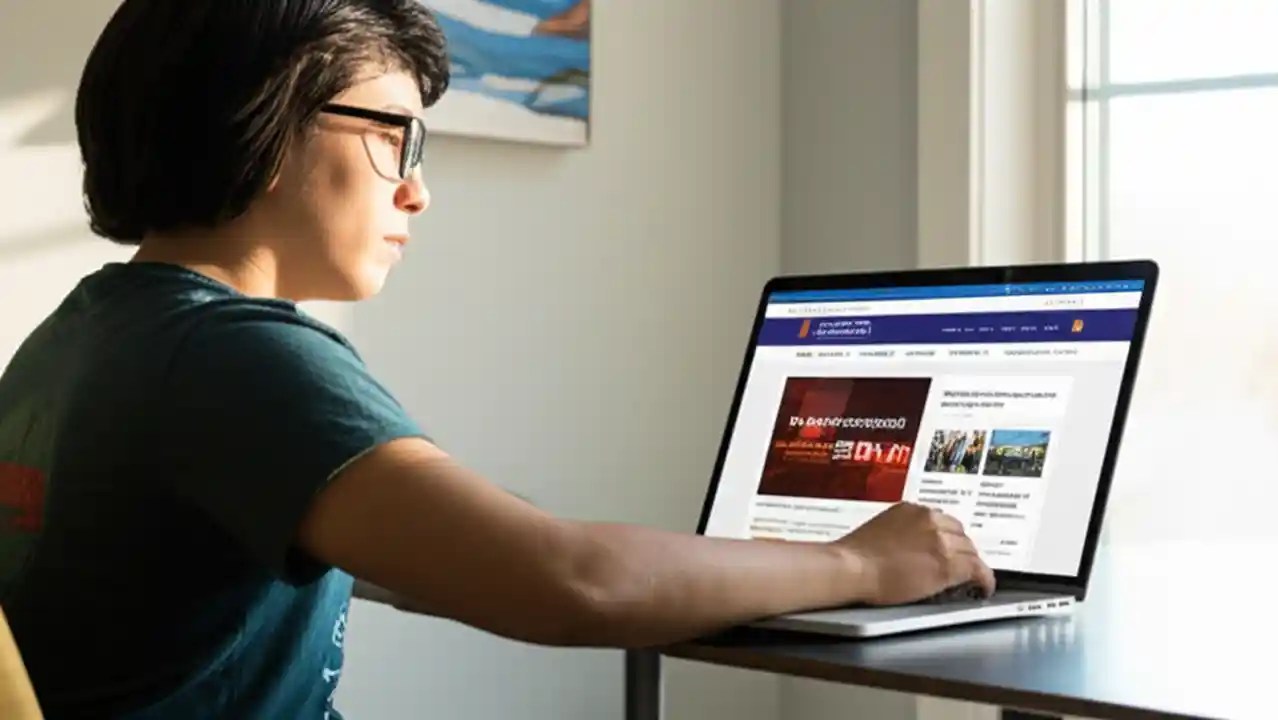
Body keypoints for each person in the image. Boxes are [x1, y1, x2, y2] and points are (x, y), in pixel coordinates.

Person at [0, 1, 996, 717]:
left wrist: (472, 543)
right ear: (262, 127)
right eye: (397, 137)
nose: (416, 191)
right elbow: (572, 584)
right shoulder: (230, 357)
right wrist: (860, 560)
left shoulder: (84, 336)